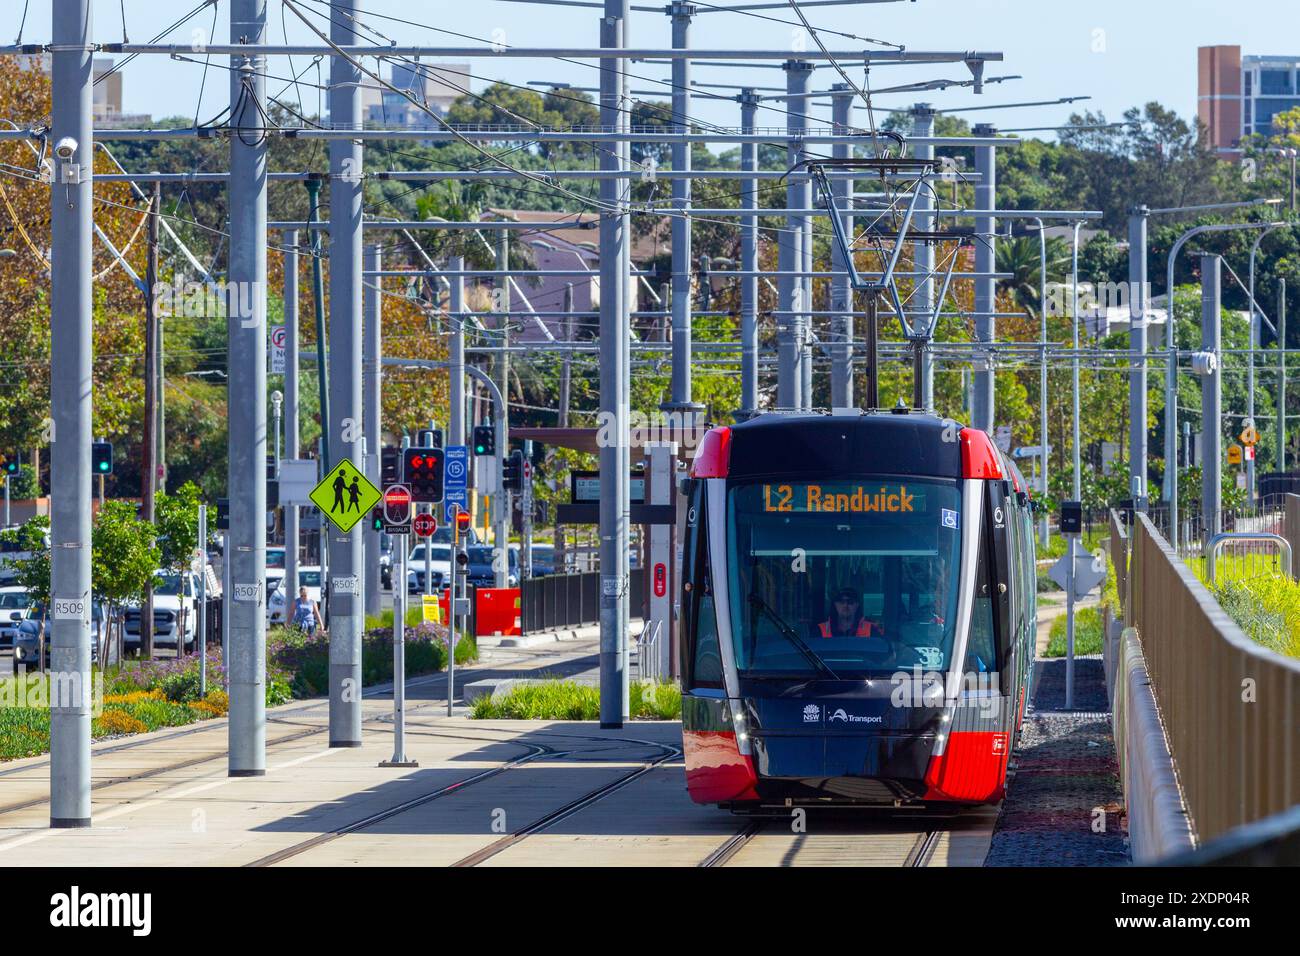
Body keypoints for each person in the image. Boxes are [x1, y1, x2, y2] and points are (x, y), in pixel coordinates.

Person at [817, 588, 883, 638]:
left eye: (850, 602)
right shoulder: (820, 631)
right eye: (841, 602)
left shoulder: (872, 630)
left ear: (857, 605)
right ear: (835, 605)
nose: (845, 605)